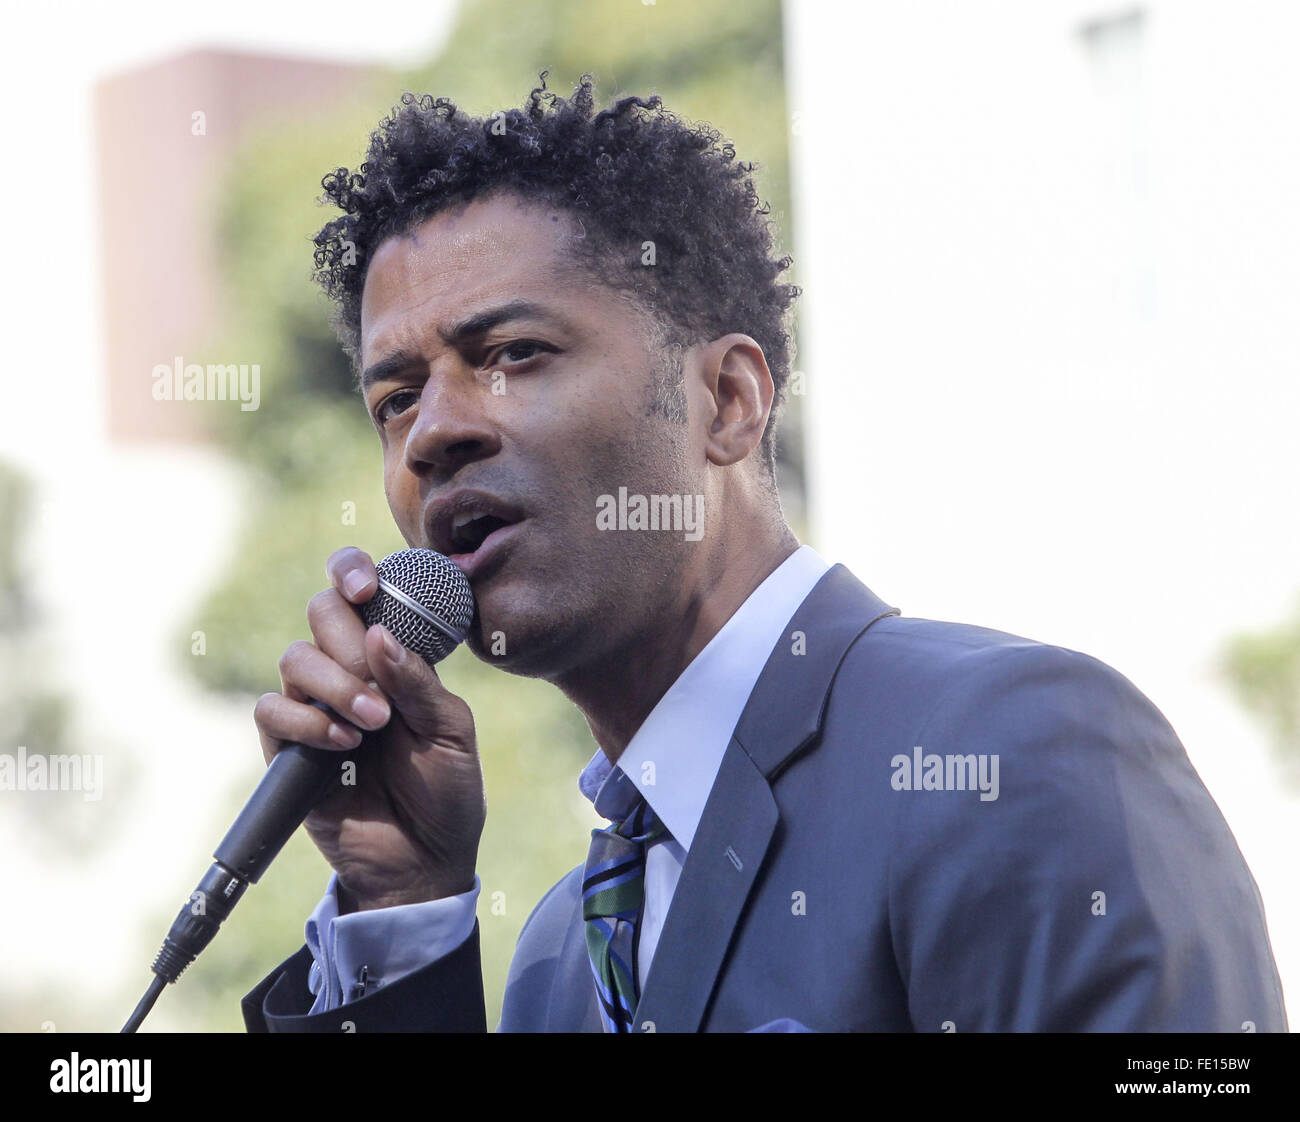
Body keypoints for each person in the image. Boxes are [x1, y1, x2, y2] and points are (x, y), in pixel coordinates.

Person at [241, 76, 1287, 1032]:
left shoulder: (1004, 758)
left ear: (729, 402)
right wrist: (403, 908)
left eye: (512, 354)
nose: (432, 433)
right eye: (396, 399)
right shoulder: (558, 957)